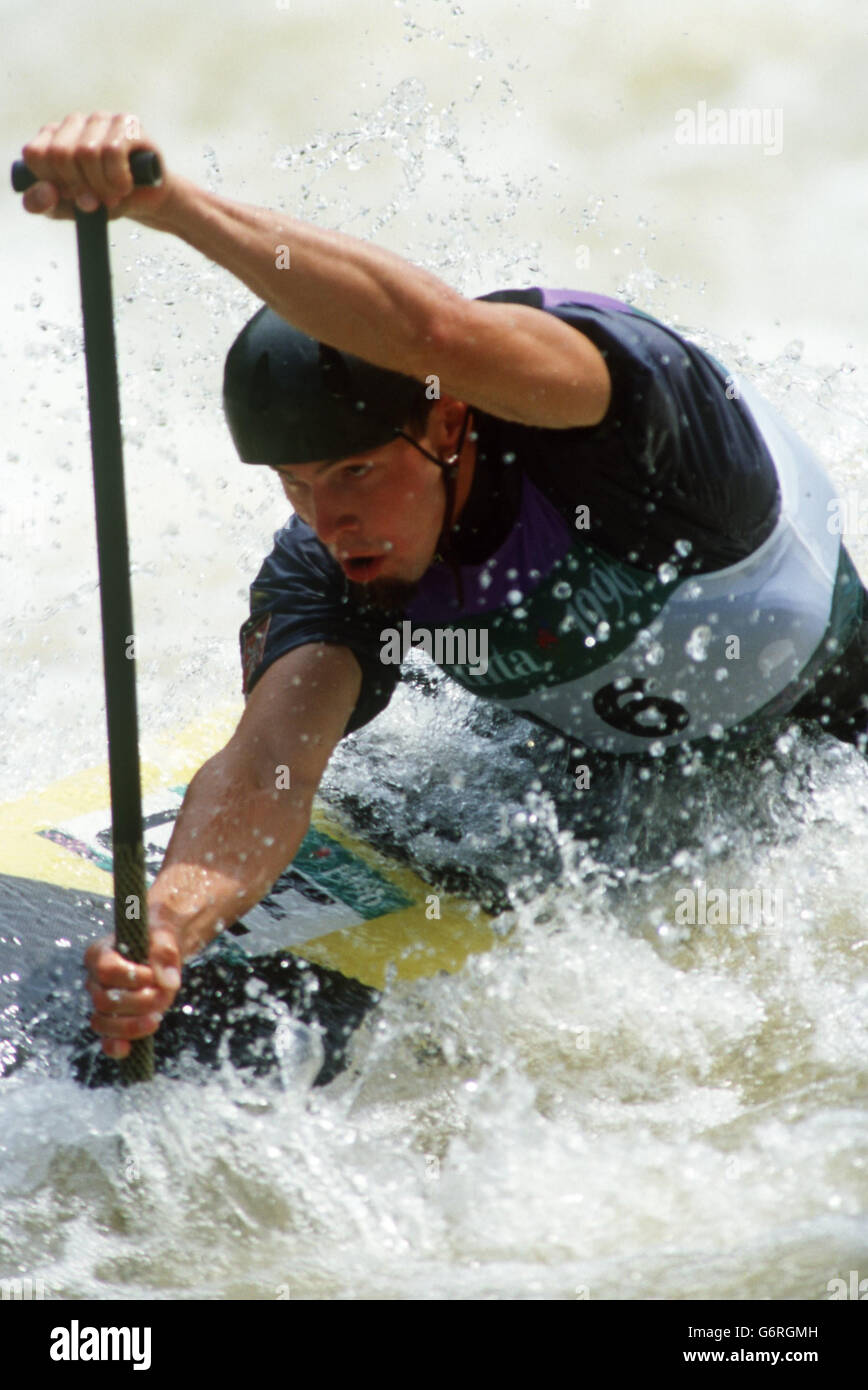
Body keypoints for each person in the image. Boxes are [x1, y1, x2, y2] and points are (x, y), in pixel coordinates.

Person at [19, 112, 868, 1063]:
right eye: (296, 487)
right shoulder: (335, 564)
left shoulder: (610, 423)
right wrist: (170, 931)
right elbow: (268, 768)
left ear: (450, 422)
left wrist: (172, 206)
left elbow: (436, 330)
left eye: (354, 473)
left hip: (834, 725)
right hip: (574, 756)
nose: (327, 519)